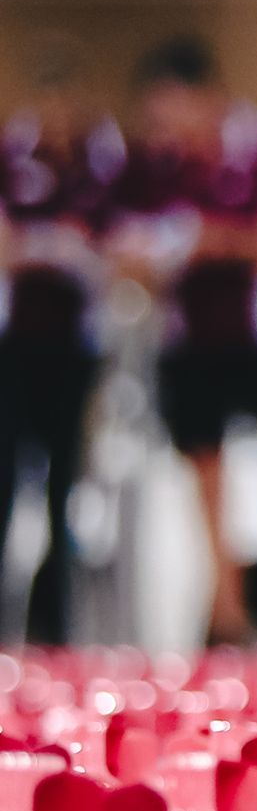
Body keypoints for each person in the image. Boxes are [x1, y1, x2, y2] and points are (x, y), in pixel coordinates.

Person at [115, 37, 257, 647]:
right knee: (208, 476)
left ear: (205, 99)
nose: (166, 130)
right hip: (194, 342)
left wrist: (217, 242)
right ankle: (227, 613)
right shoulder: (154, 167)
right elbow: (127, 255)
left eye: (173, 113)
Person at [0, 49, 121, 643]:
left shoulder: (97, 172)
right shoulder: (12, 162)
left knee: (62, 483)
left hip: (72, 348)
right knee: (6, 477)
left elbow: (119, 250)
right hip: (13, 346)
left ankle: (56, 622)